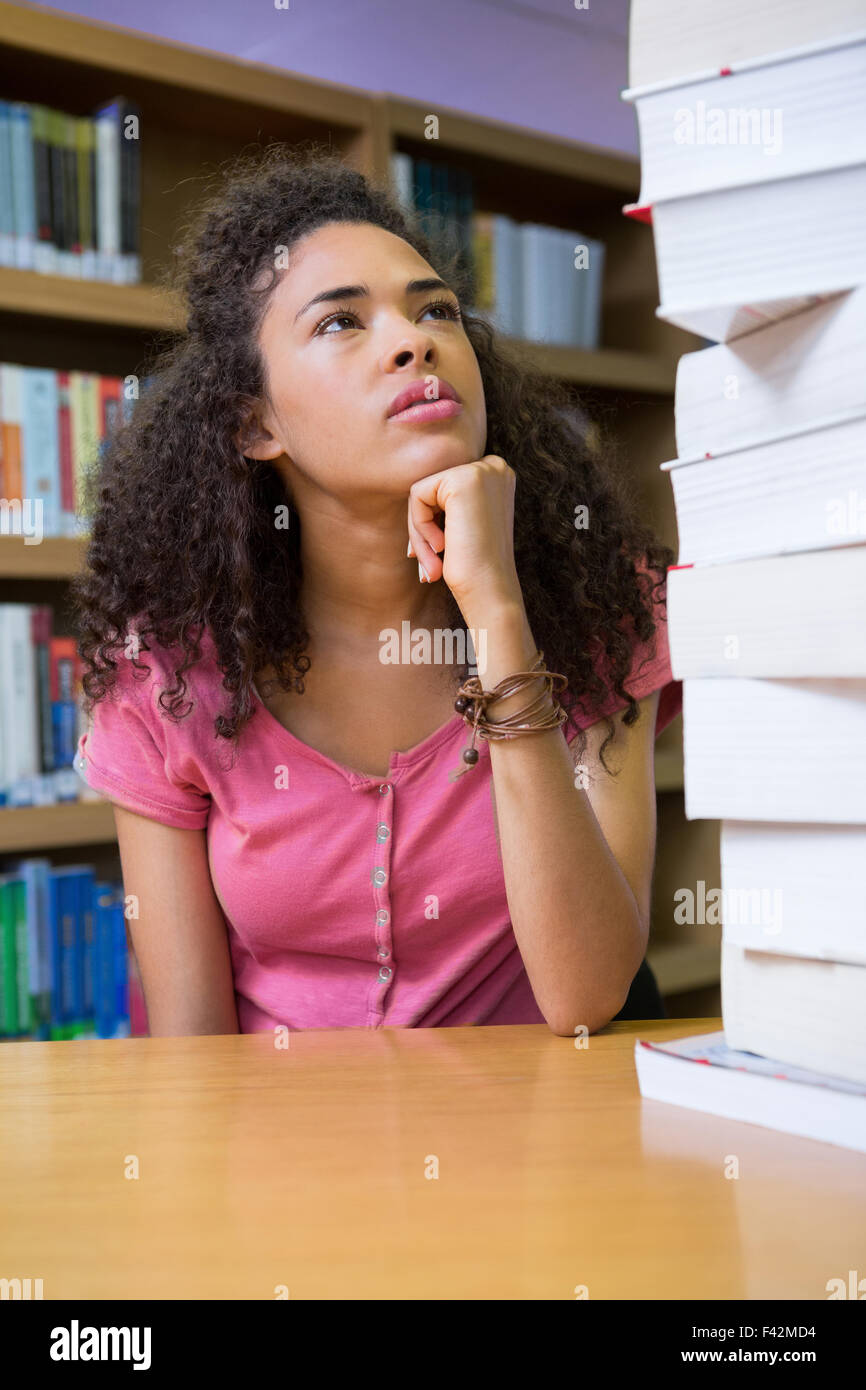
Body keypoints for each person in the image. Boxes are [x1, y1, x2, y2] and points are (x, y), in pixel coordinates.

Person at [71, 145, 682, 1038]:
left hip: (541, 1153)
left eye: (436, 310)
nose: (415, 340)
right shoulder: (166, 673)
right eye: (338, 324)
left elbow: (588, 993)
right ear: (256, 422)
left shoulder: (597, 604)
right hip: (282, 1157)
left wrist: (500, 611)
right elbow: (191, 1057)